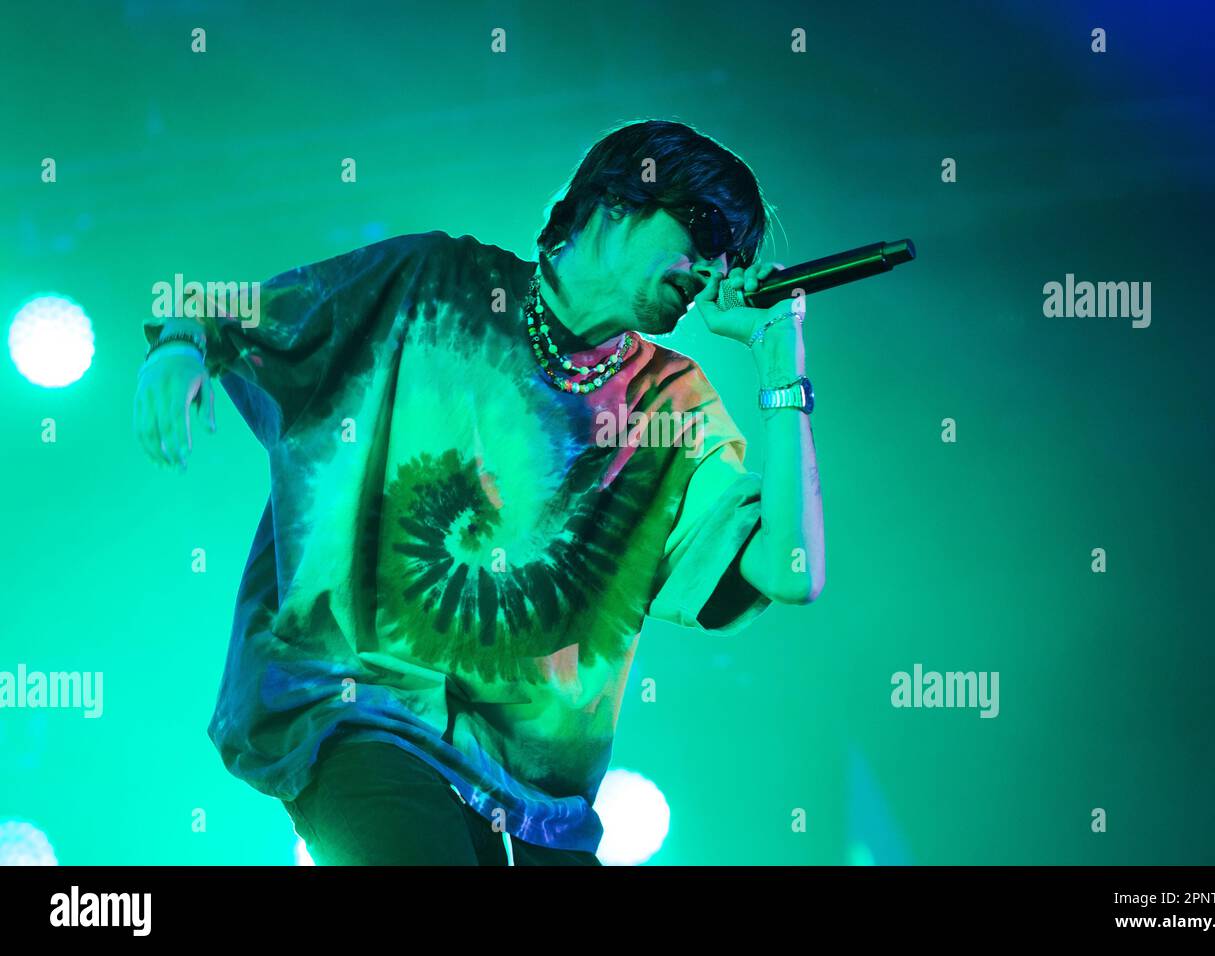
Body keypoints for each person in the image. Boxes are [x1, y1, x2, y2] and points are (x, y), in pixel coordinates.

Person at [132, 119, 825, 865]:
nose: (716, 265)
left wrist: (780, 369)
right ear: (621, 198)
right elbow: (231, 309)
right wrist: (178, 346)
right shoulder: (431, 284)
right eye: (708, 229)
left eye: (736, 254)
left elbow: (792, 570)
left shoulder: (675, 403)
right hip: (365, 713)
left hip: (538, 797)